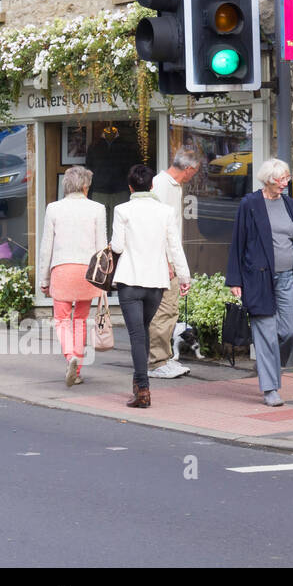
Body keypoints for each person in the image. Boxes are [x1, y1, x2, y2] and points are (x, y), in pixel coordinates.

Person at [226, 159, 293, 407]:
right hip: (258, 278)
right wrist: (234, 279)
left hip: (288, 277)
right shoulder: (250, 204)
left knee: (287, 331)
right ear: (267, 180)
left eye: (287, 178)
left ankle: (271, 365)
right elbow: (238, 242)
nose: (285, 183)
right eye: (280, 179)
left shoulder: (291, 205)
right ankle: (270, 388)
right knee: (265, 334)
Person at [111, 164, 190, 409]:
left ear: (130, 187)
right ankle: (139, 384)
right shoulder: (165, 212)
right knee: (143, 329)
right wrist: (184, 277)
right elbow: (174, 247)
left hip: (130, 280)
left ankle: (142, 388)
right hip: (156, 282)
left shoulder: (122, 210)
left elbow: (117, 247)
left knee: (136, 334)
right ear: (152, 185)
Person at [37, 165, 107, 388]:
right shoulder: (97, 208)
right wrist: (104, 279)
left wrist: (44, 279)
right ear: (85, 186)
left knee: (61, 319)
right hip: (87, 271)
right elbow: (101, 247)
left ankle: (70, 356)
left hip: (62, 269)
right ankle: (76, 369)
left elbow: (46, 247)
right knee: (81, 319)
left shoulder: (53, 208)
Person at [147, 146, 202, 379]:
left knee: (169, 312)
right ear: (189, 168)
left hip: (169, 259)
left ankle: (164, 358)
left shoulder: (172, 185)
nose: (195, 175)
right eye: (195, 171)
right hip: (164, 261)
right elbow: (155, 226)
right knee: (164, 311)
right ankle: (157, 363)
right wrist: (168, 262)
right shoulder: (162, 184)